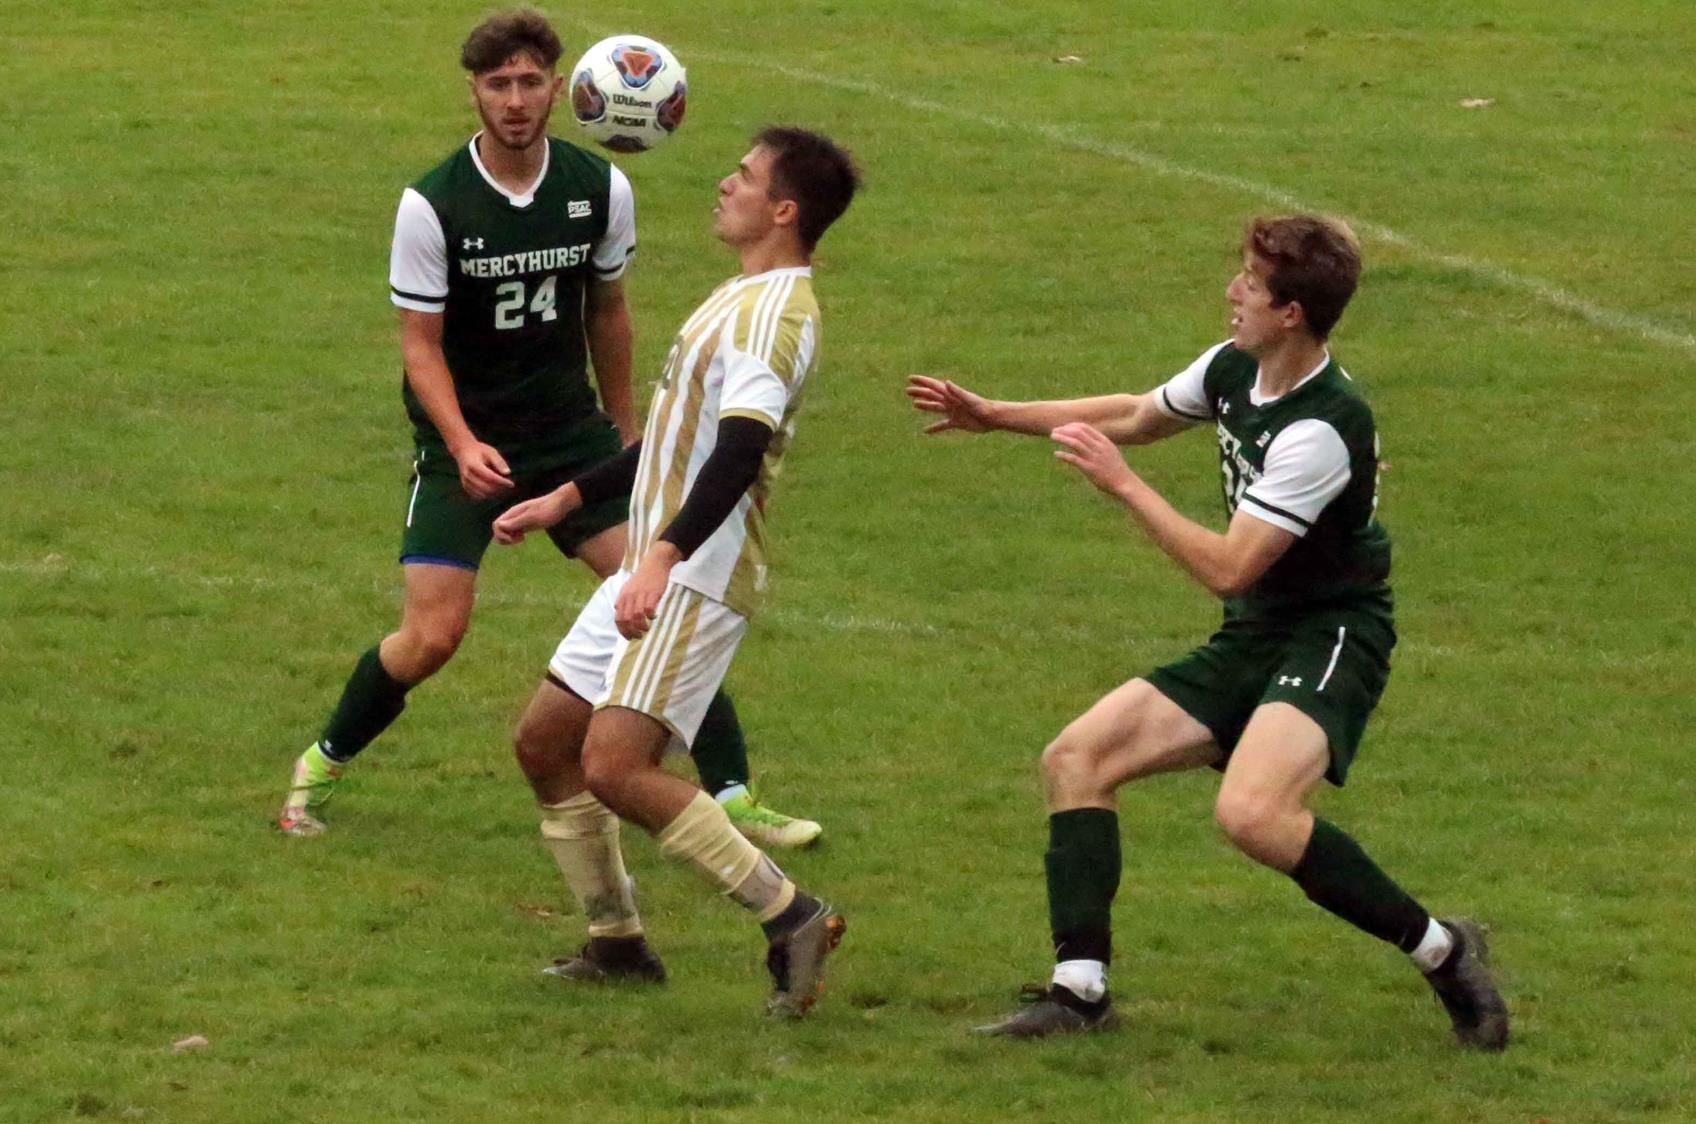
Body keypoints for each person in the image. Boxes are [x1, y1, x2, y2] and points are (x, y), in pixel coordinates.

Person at [907, 215, 1508, 1049]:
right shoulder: (1237, 368)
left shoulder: (1320, 430)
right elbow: (1137, 412)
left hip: (1332, 635)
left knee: (1253, 814)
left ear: (1291, 312)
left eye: (1251, 284)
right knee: (1077, 758)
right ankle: (1079, 992)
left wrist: (1124, 488)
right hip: (1259, 630)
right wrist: (996, 413)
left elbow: (1231, 567)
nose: (1232, 292)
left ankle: (1443, 951)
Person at [278, 10, 819, 847]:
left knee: (661, 598)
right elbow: (419, 345)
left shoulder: (599, 187)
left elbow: (609, 310)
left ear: (562, 88)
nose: (517, 100)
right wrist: (460, 444)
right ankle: (322, 762)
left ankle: (735, 795)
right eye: (500, 85)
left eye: (531, 82)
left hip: (572, 439)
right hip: (466, 446)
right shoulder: (433, 204)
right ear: (475, 93)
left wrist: (632, 436)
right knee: (432, 636)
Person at [493, 126, 860, 1017]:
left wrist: (659, 555)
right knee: (545, 743)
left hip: (695, 574)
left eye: (744, 176)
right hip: (661, 564)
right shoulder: (737, 296)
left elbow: (739, 450)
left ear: (784, 210)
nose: (723, 184)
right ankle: (617, 944)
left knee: (616, 766)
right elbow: (673, 440)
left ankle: (794, 914)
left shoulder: (774, 317)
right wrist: (566, 497)